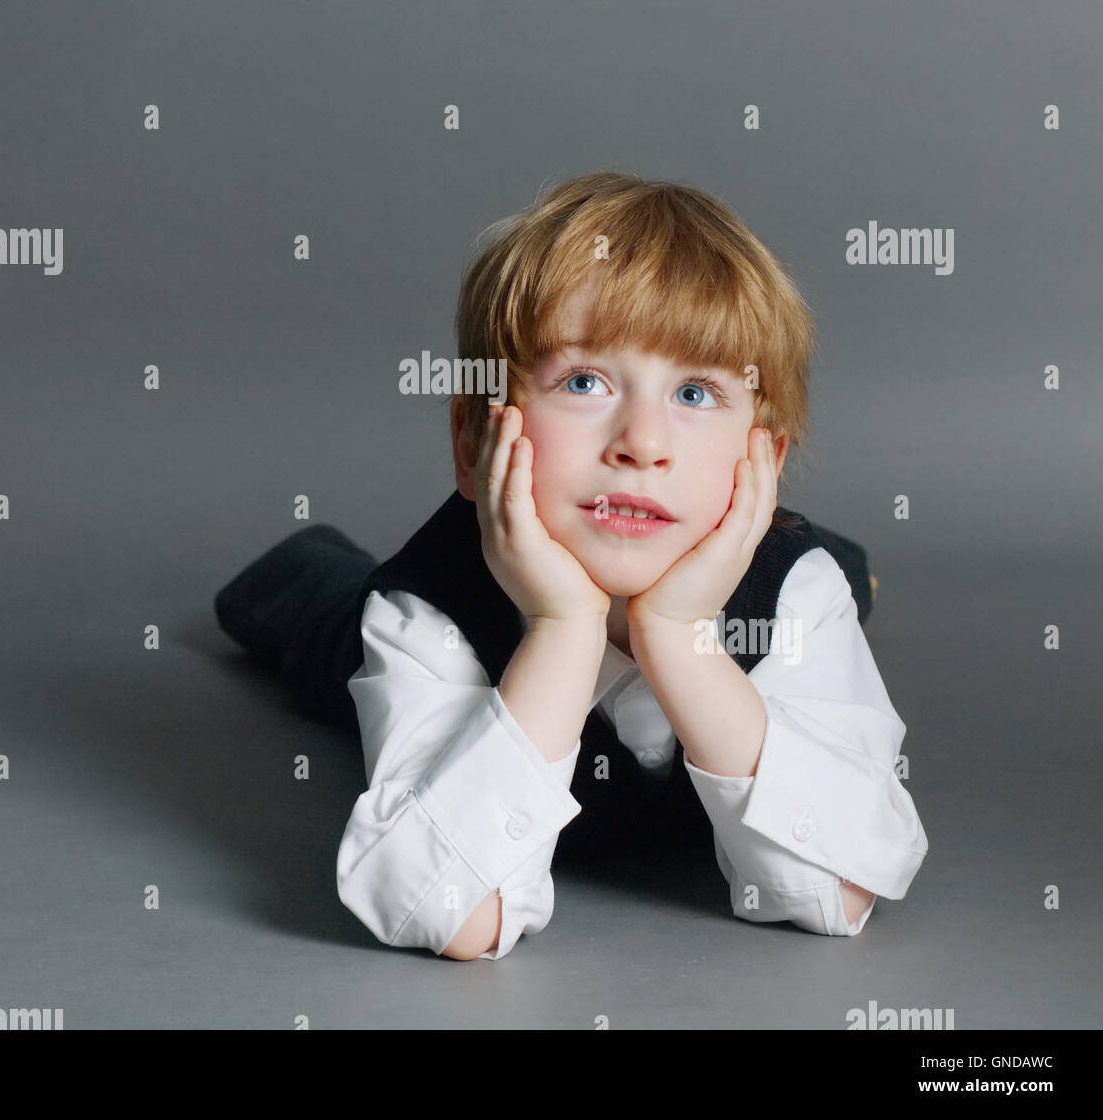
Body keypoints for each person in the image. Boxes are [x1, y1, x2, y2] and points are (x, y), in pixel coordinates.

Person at [215, 171, 928, 961]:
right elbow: (449, 914)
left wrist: (681, 635)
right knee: (326, 624)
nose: (643, 444)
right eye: (584, 382)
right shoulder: (429, 609)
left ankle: (843, 563)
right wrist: (561, 628)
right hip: (415, 596)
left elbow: (842, 889)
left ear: (765, 461)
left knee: (814, 569)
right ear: (473, 441)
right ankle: (303, 566)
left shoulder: (795, 590)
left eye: (695, 394)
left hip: (748, 563)